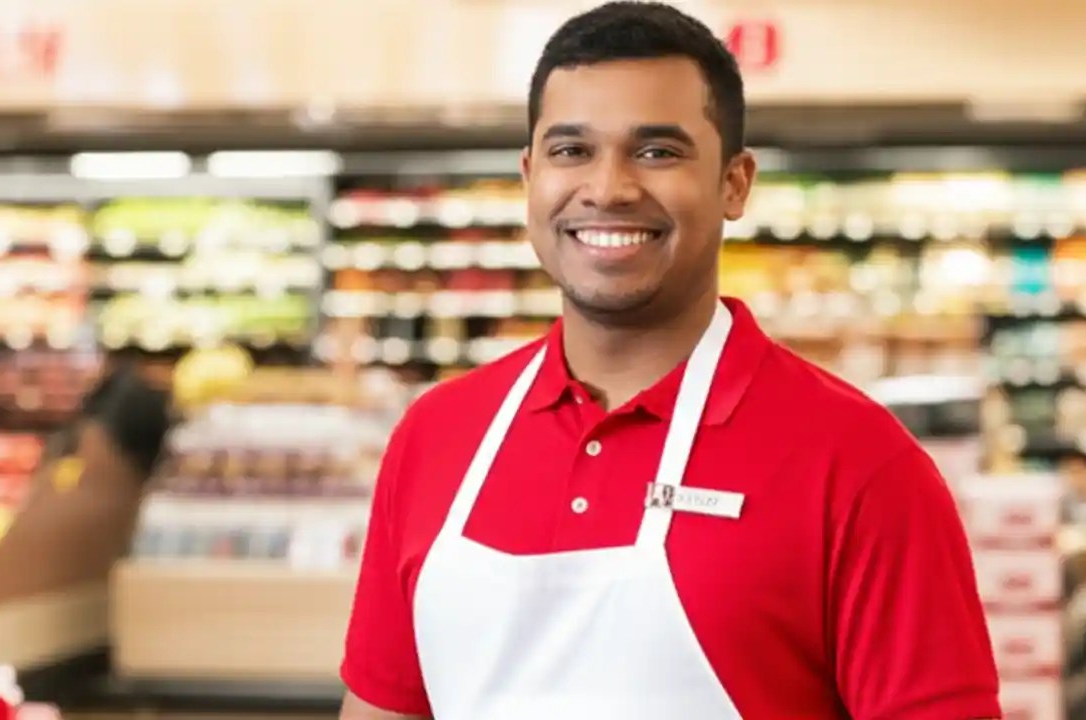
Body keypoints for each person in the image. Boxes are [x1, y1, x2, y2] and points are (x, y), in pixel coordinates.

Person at [339, 2, 1001, 719]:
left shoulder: (861, 466)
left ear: (735, 184)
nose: (609, 187)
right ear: (529, 177)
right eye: (571, 151)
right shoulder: (436, 436)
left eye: (657, 151)